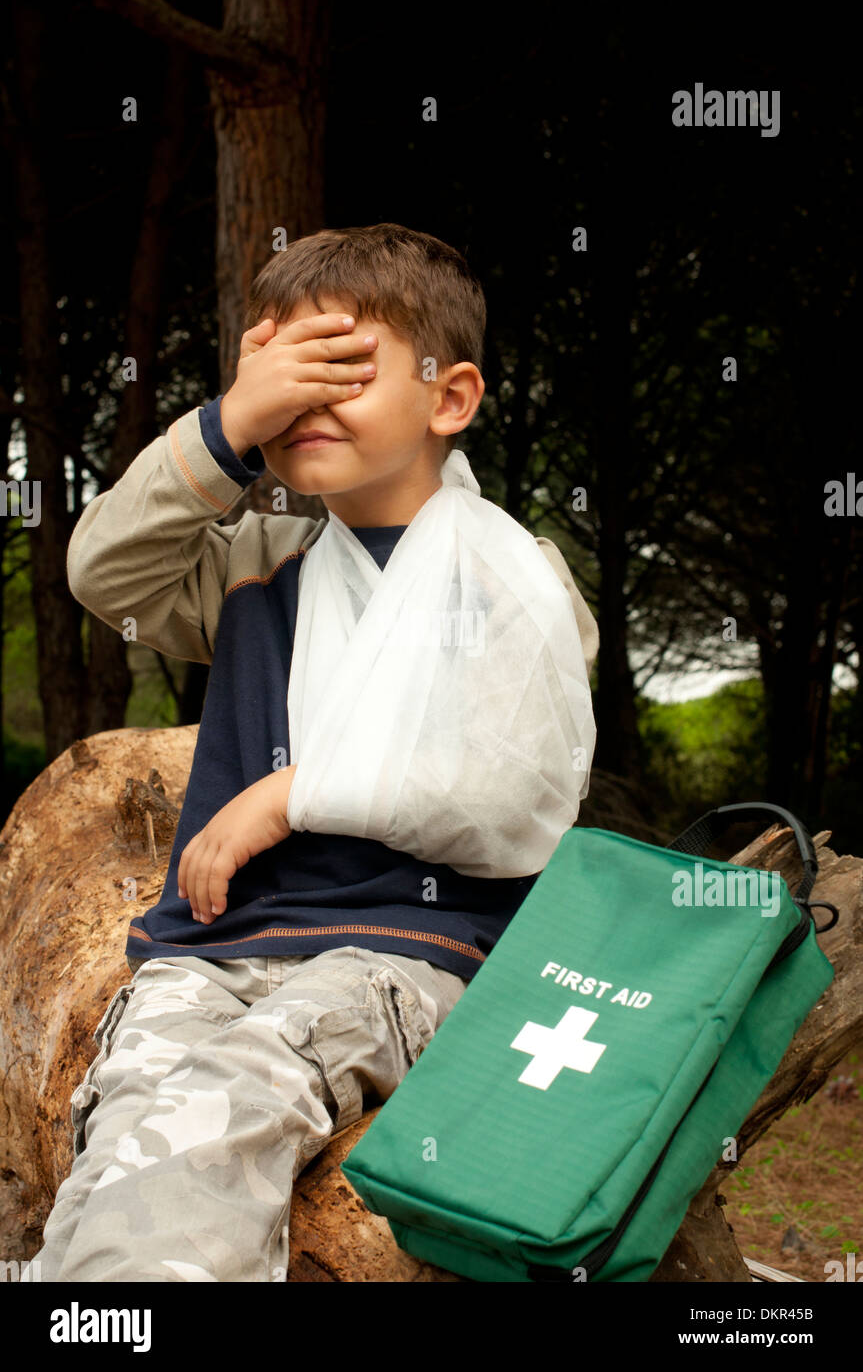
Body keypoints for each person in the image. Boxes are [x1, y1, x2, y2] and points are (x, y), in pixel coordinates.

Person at [34, 222, 599, 1282]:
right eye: (284, 378)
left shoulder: (515, 578)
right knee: (127, 1127)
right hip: (212, 946)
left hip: (409, 951)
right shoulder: (262, 564)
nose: (306, 403)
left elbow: (512, 788)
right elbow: (103, 572)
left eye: (341, 368)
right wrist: (225, 426)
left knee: (234, 1093)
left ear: (449, 397)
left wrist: (293, 794)